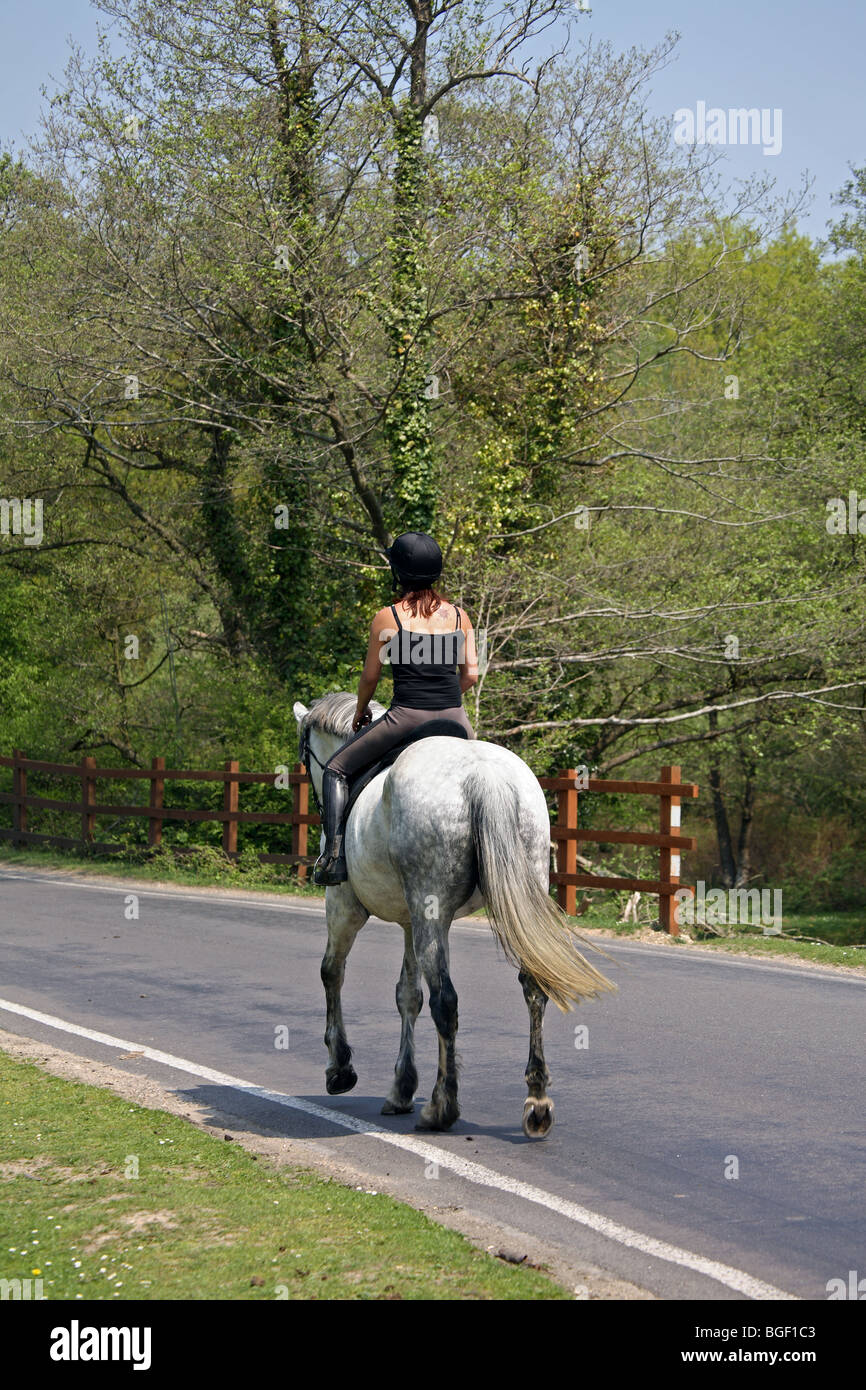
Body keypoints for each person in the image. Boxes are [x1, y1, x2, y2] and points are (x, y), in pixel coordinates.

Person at [313, 531, 479, 884]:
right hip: (457, 720)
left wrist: (360, 710)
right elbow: (472, 674)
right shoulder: (460, 617)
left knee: (335, 768)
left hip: (407, 718)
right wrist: (446, 696)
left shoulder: (388, 618)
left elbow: (370, 678)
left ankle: (333, 857)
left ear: (399, 573)